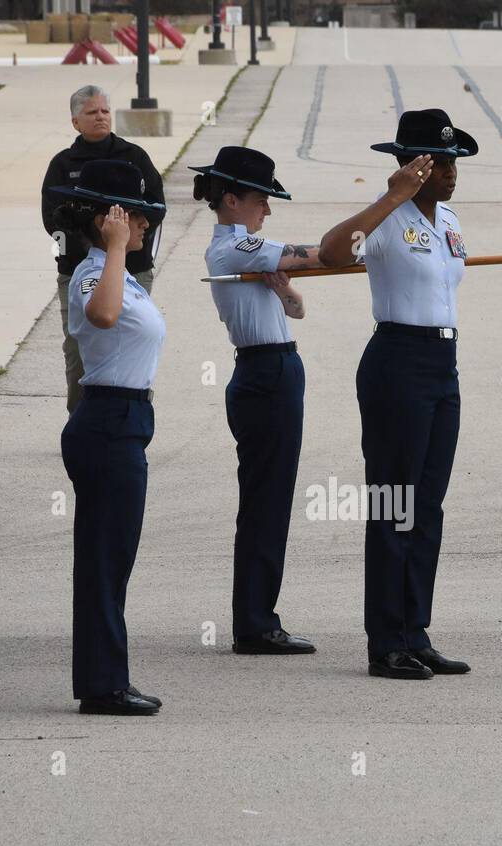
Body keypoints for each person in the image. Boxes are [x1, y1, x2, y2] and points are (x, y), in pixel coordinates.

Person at [318, 109, 476, 680]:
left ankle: (416, 630)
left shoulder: (450, 220)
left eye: (453, 159)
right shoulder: (387, 218)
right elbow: (335, 252)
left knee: (427, 505)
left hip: (442, 363)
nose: (450, 170)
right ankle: (385, 640)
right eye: (438, 161)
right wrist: (392, 196)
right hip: (396, 362)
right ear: (411, 164)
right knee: (394, 503)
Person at [192, 146, 323, 656]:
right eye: (261, 200)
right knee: (265, 503)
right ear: (231, 199)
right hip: (265, 372)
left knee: (271, 500)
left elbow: (296, 309)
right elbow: (319, 255)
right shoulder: (234, 249)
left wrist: (286, 291)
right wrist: (363, 243)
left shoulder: (250, 252)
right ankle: (255, 623)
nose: (267, 210)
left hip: (278, 365)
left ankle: (258, 616)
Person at [47, 160, 167, 716]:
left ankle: (109, 676)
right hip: (106, 421)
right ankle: (102, 685)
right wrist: (116, 247)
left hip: (127, 421)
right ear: (109, 219)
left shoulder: (119, 271)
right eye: (136, 217)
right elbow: (102, 315)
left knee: (114, 558)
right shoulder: (96, 272)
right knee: (102, 558)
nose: (144, 227)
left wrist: (122, 251)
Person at [41, 86, 165, 415]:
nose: (101, 117)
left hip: (133, 269)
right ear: (75, 121)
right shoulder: (62, 165)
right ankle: (81, 418)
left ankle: (130, 412)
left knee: (133, 340)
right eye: (92, 112)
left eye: (105, 111)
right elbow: (51, 219)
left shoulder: (133, 157)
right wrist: (90, 244)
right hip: (78, 271)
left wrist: (124, 240)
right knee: (79, 349)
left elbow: (156, 207)